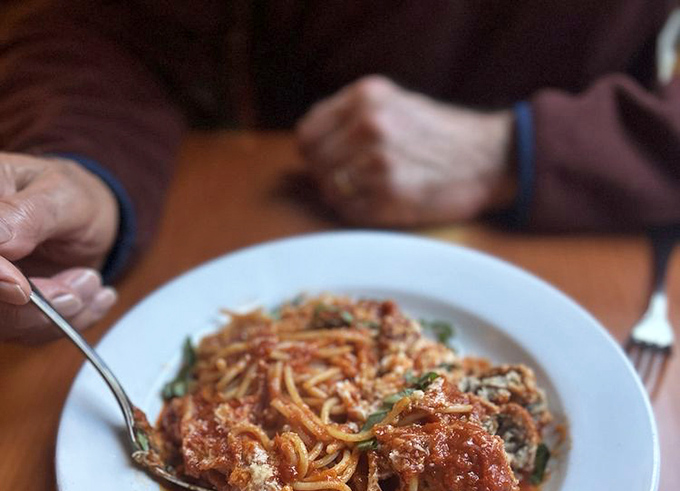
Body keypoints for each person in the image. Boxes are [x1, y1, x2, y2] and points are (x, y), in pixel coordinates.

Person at [1, 0, 678, 342]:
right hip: (225, 210)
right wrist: (82, 169)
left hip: (586, 243)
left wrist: (520, 148)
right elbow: (87, 24)